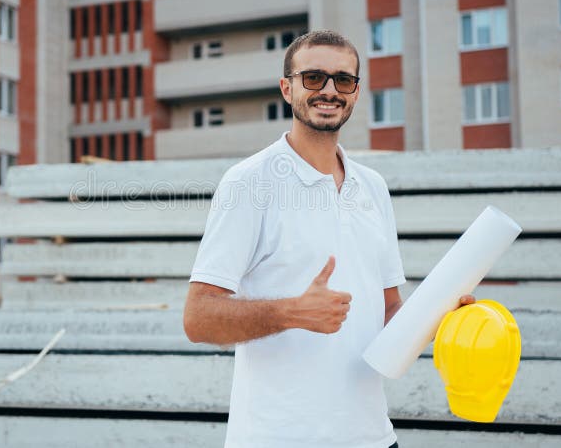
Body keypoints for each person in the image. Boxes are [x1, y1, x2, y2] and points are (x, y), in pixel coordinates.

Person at [183, 30, 474, 448]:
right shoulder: (250, 182)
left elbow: (389, 310)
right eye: (314, 77)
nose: (329, 91)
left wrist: (439, 318)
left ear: (356, 92)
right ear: (287, 88)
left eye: (343, 80)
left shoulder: (372, 187)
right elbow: (198, 319)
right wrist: (291, 312)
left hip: (372, 438)